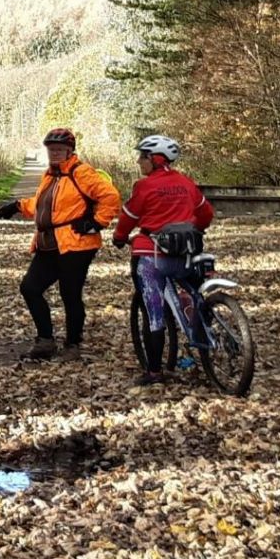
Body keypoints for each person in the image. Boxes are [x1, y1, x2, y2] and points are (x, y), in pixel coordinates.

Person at [0, 128, 121, 362]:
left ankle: (72, 345)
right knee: (30, 288)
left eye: (59, 150)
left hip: (76, 244)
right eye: (51, 149)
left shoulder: (81, 172)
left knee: (70, 294)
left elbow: (110, 197)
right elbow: (44, 205)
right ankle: (45, 341)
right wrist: (17, 206)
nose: (54, 153)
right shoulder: (50, 174)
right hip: (49, 243)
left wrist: (96, 223)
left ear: (69, 151)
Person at [111, 135, 214, 385]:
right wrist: (193, 229)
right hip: (187, 254)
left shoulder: (144, 186)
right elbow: (206, 214)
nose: (139, 161)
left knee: (153, 313)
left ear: (155, 159)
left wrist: (119, 237)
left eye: (142, 156)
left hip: (152, 255)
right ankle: (201, 323)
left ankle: (154, 371)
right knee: (195, 290)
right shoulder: (186, 183)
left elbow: (128, 218)